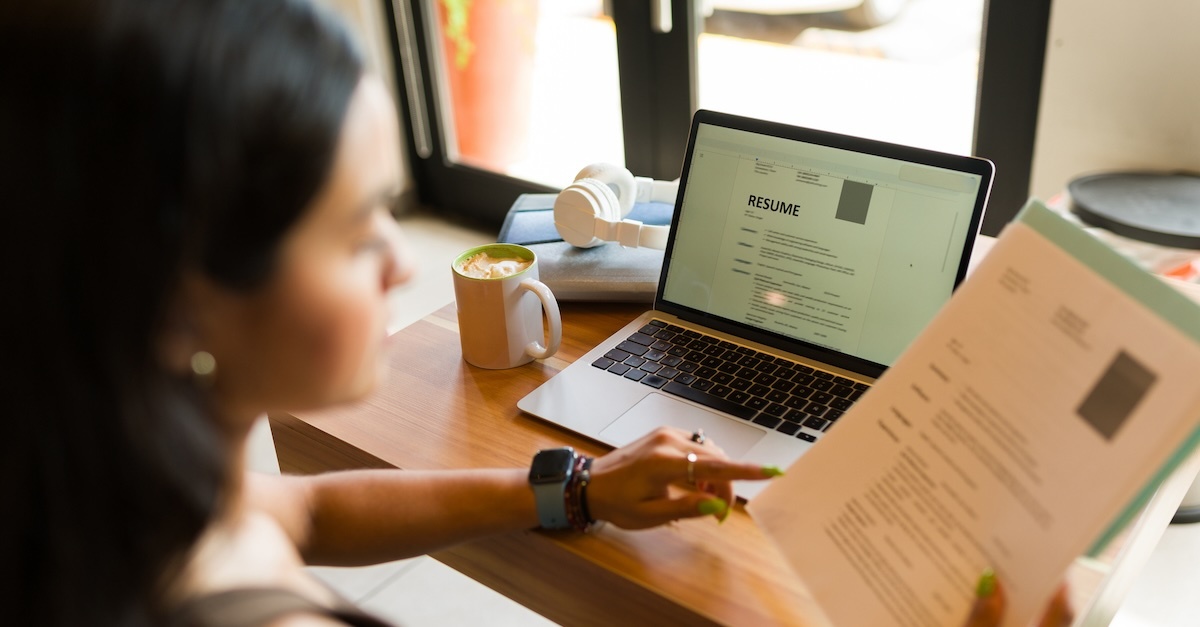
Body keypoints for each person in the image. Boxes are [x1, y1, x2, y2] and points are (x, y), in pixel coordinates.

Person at [0, 1, 1071, 625]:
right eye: (354, 225)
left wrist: (579, 488)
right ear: (179, 293)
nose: (395, 257)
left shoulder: (122, 487)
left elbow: (304, 514)